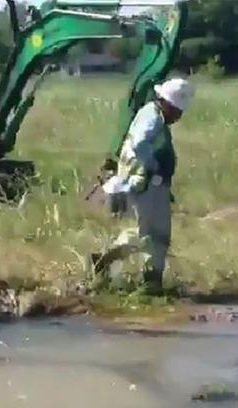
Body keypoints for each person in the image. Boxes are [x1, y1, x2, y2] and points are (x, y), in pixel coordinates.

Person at [92, 77, 195, 292]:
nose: (180, 116)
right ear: (168, 103)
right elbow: (140, 144)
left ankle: (105, 260)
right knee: (155, 236)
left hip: (148, 186)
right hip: (148, 185)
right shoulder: (153, 119)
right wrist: (154, 165)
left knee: (142, 233)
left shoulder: (150, 113)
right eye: (178, 110)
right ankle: (151, 283)